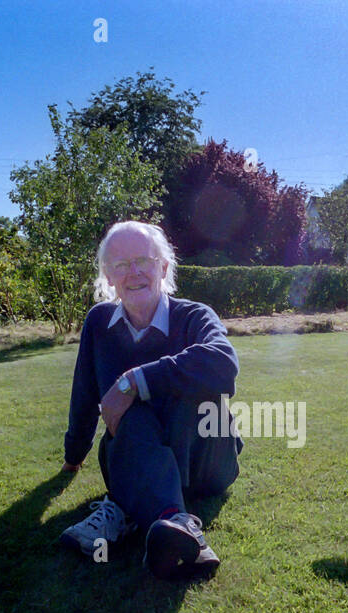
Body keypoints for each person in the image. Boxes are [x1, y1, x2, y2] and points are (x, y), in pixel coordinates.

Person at [59, 220, 243, 578]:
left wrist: (134, 380)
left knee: (176, 386)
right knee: (132, 414)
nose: (134, 272)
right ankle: (175, 525)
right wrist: (73, 456)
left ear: (164, 266)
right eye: (121, 264)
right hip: (137, 450)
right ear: (108, 276)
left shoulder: (194, 315)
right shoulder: (98, 323)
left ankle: (129, 511)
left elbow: (224, 364)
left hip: (205, 460)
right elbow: (83, 392)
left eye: (143, 260)